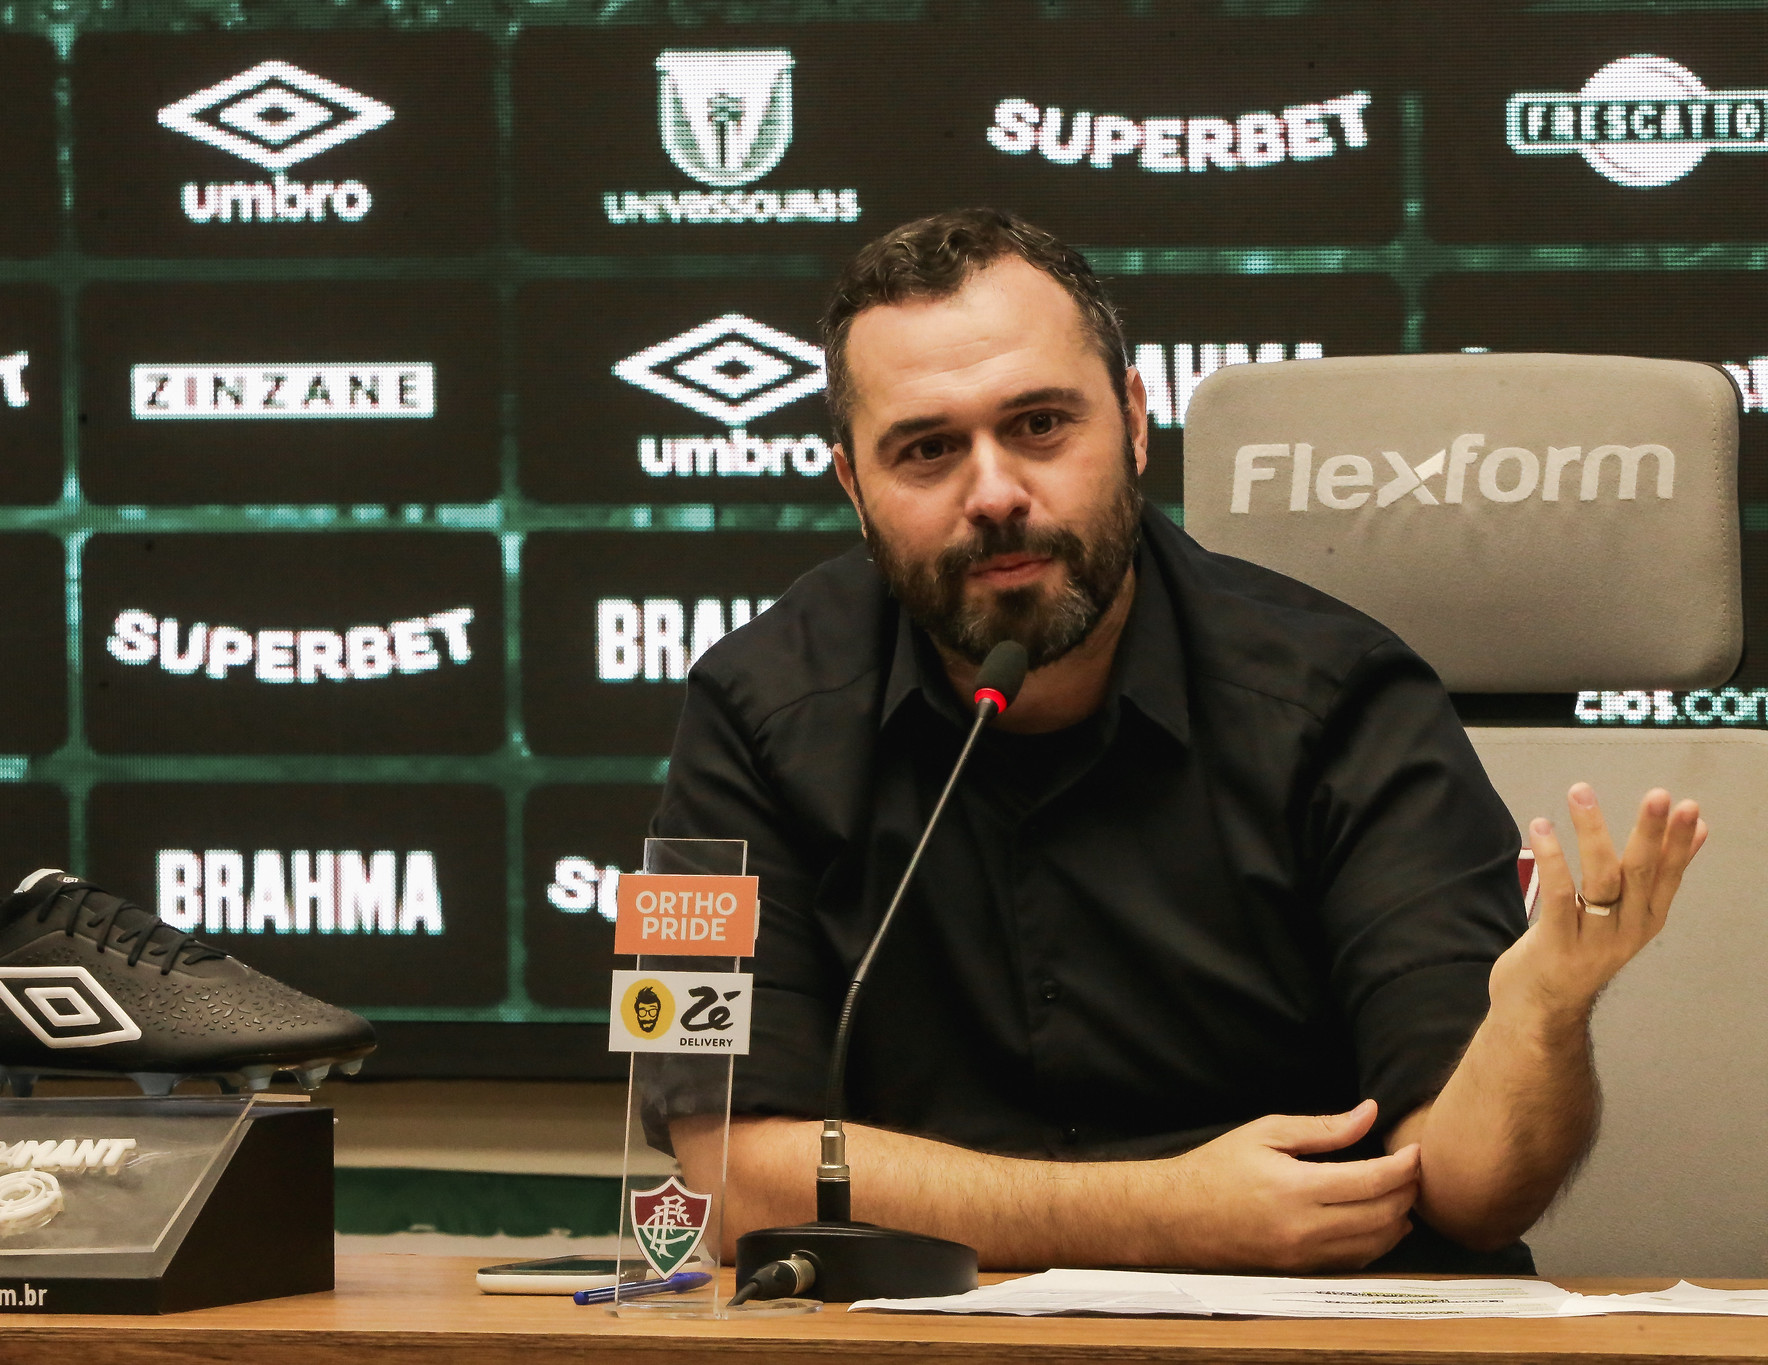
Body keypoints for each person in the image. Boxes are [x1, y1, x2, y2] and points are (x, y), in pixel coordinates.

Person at [652, 208, 1707, 1273]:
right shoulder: (756, 712)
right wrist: (1161, 1212)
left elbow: (1469, 1194)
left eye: (1039, 425)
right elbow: (728, 1175)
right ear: (853, 488)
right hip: (930, 1336)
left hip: (1316, 1339)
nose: (995, 494)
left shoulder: (1341, 701)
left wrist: (1540, 1017)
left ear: (1133, 421)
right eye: (928, 450)